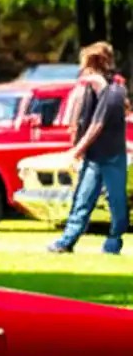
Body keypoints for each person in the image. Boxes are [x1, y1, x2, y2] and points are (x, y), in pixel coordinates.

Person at [50, 43, 129, 254]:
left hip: (112, 155)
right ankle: (67, 241)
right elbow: (81, 119)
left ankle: (113, 241)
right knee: (82, 199)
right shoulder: (89, 90)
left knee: (116, 200)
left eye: (86, 65)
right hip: (94, 156)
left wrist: (76, 151)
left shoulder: (113, 91)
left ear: (95, 64)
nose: (83, 71)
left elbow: (97, 126)